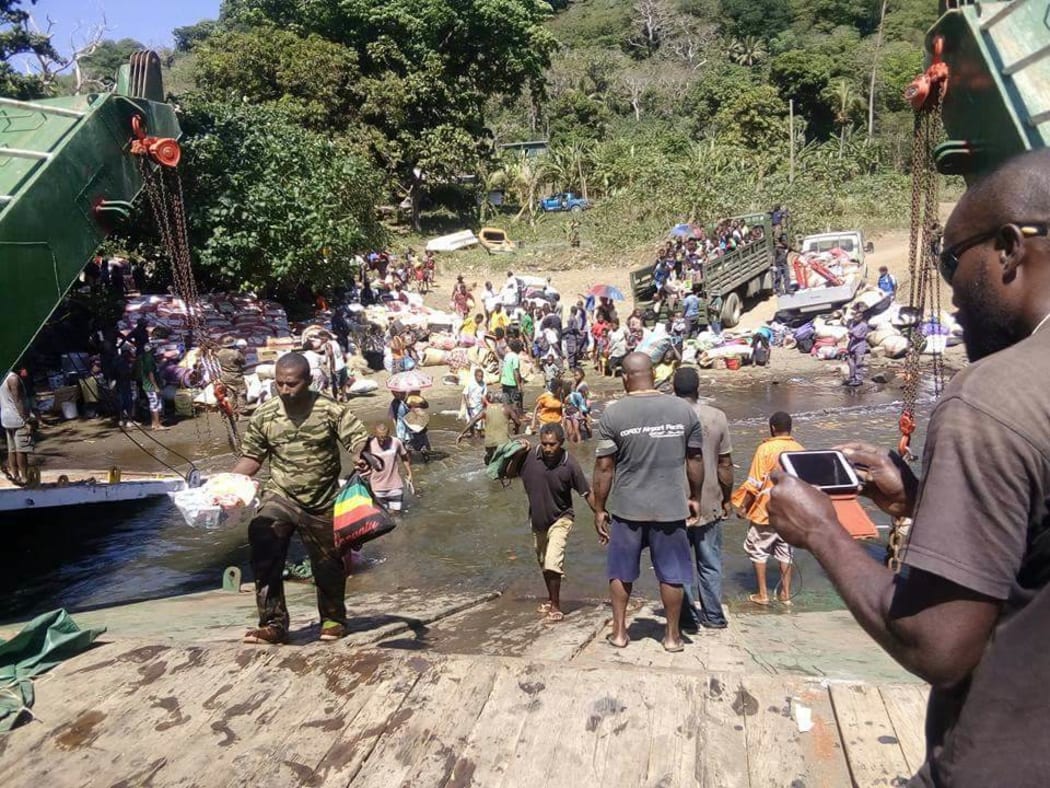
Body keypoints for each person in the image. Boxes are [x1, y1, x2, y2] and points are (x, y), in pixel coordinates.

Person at [765, 149, 1050, 785]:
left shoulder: (993, 397)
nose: (950, 296)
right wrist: (926, 503)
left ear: (1008, 248)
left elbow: (939, 643)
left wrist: (819, 531)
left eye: (952, 261)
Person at [232, 353, 369, 644]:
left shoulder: (330, 410)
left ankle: (333, 619)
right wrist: (229, 483)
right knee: (262, 537)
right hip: (281, 494)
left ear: (308, 381)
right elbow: (252, 458)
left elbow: (357, 439)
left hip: (322, 498)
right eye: (279, 383)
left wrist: (361, 455)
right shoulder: (265, 415)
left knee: (328, 562)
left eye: (291, 384)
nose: (284, 390)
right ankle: (273, 623)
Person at [592, 352, 703, 652]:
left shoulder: (614, 414)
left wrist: (600, 508)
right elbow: (694, 459)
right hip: (670, 507)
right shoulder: (684, 410)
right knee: (672, 574)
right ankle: (672, 637)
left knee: (620, 571)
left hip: (627, 508)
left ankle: (619, 633)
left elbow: (604, 467)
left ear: (625, 377)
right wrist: (695, 496)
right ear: (653, 374)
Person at [672, 368, 733, 630]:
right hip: (709, 501)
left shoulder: (667, 419)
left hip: (674, 503)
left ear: (673, 390)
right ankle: (714, 615)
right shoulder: (716, 417)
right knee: (710, 562)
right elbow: (725, 465)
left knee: (679, 562)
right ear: (698, 388)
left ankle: (686, 617)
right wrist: (727, 498)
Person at [518, 422, 594, 624]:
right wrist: (517, 450)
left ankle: (556, 606)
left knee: (552, 562)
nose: (548, 449)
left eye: (553, 444)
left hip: (562, 518)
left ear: (561, 443)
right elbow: (505, 472)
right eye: (544, 444)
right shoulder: (529, 458)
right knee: (544, 563)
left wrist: (600, 514)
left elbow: (586, 493)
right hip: (538, 521)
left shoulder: (570, 464)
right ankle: (551, 599)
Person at [732, 411, 803, 606]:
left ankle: (762, 594)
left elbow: (754, 482)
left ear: (772, 428)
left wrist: (743, 507)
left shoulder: (764, 449)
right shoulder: (799, 449)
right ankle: (785, 594)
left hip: (765, 510)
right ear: (790, 428)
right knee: (785, 552)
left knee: (758, 550)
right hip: (789, 512)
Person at [458, 391, 522, 463]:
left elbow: (472, 422)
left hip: (489, 443)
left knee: (490, 459)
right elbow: (518, 422)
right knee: (518, 449)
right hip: (503, 442)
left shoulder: (485, 410)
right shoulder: (507, 409)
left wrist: (461, 433)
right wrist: (516, 429)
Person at [365, 422, 413, 512]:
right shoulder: (368, 445)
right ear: (375, 434)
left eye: (385, 437)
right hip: (377, 487)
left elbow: (404, 457)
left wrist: (409, 473)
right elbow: (363, 463)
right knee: (382, 515)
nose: (382, 440)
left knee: (397, 515)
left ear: (389, 434)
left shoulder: (396, 442)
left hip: (395, 485)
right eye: (380, 438)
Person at [1, 368, 33, 485]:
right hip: (16, 417)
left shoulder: (3, 376)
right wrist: (26, 419)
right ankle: (24, 477)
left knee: (12, 449)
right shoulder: (13, 378)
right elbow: (18, 400)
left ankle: (16, 475)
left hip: (5, 417)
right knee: (21, 449)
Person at [134, 343, 166, 430]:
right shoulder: (148, 359)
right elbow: (150, 374)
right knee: (154, 403)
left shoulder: (144, 357)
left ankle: (155, 423)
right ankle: (157, 424)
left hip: (149, 385)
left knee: (155, 403)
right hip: (150, 386)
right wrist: (155, 386)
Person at [216, 336, 248, 416]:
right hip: (236, 376)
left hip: (225, 377)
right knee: (241, 393)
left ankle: (232, 411)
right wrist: (242, 353)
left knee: (230, 394)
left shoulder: (219, 353)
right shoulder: (235, 353)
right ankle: (241, 412)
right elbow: (243, 362)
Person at [845, 304, 870, 387]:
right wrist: (849, 335)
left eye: (857, 317)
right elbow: (850, 334)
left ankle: (858, 379)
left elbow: (861, 337)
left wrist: (853, 334)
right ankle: (852, 377)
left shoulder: (864, 326)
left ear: (861, 318)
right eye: (854, 317)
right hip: (852, 345)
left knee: (859, 362)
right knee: (851, 362)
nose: (855, 319)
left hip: (860, 345)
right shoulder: (852, 324)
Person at [500, 338, 524, 410]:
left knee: (507, 402)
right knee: (516, 401)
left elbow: (502, 369)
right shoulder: (515, 357)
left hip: (504, 382)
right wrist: (519, 385)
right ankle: (519, 416)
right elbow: (515, 371)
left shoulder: (507, 355)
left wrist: (500, 380)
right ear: (518, 348)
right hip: (512, 383)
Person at [462, 367, 487, 433]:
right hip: (471, 406)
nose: (480, 378)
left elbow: (484, 395)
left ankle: (478, 435)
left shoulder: (483, 384)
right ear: (475, 376)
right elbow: (465, 393)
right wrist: (467, 403)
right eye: (479, 376)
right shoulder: (470, 383)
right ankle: (472, 434)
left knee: (479, 424)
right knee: (471, 422)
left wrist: (485, 404)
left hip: (479, 406)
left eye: (482, 376)